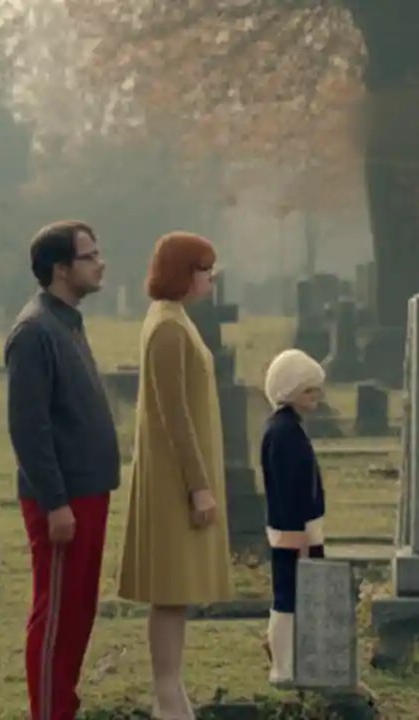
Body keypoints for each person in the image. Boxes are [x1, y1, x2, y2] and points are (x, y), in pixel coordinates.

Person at [5, 220, 121, 720]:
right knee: (55, 618)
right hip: (62, 501)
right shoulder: (35, 332)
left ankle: (64, 708)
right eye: (90, 255)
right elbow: (28, 427)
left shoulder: (68, 321)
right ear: (60, 269)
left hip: (90, 494)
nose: (101, 262)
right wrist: (55, 503)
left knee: (77, 615)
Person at [117, 231, 233, 719]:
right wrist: (198, 485)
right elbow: (173, 413)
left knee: (177, 593)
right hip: (174, 482)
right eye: (205, 269)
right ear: (185, 273)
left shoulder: (177, 320)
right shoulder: (167, 327)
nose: (211, 277)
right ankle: (167, 694)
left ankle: (172, 690)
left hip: (181, 477)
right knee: (169, 590)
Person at [259, 349, 328, 686]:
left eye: (316, 390)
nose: (315, 397)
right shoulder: (283, 433)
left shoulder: (290, 428)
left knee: (299, 593)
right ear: (288, 391)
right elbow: (286, 487)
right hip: (293, 530)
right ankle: (283, 666)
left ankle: (294, 658)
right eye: (307, 391)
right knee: (289, 595)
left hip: (301, 528)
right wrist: (296, 534)